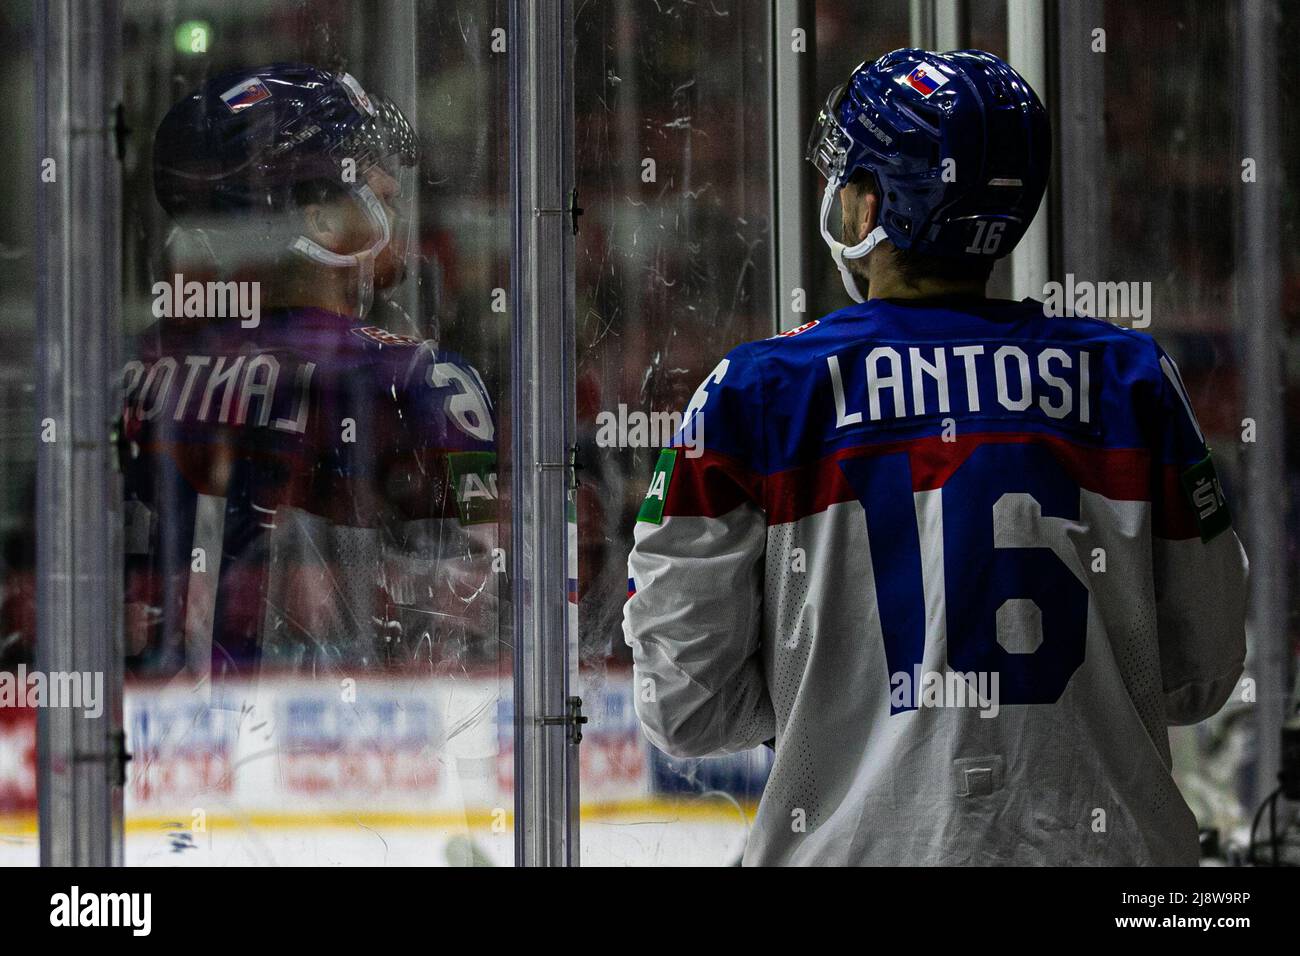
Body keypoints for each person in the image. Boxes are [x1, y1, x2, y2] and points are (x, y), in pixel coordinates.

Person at [622, 48, 1248, 865]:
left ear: (872, 203)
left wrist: (834, 692)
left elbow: (686, 708)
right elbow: (1201, 671)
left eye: (844, 178)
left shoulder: (758, 391)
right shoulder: (1130, 378)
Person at [126, 62, 499, 684]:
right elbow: (482, 604)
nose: (390, 184)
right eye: (359, 162)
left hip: (158, 740)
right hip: (339, 747)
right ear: (318, 221)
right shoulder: (415, 380)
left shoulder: (133, 371)